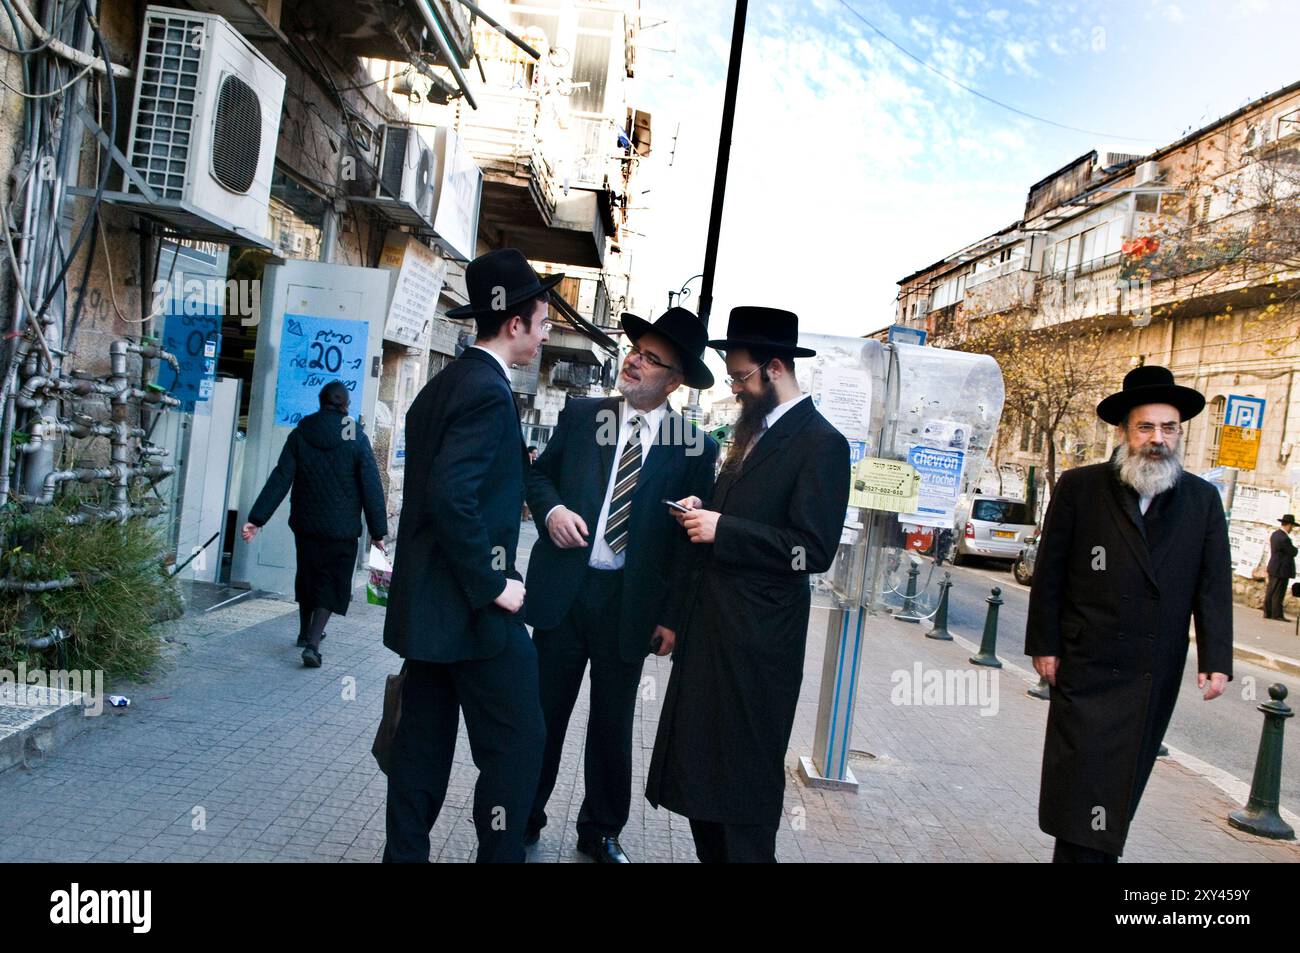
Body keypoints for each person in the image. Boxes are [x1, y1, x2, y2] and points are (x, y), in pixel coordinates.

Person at [645, 306, 851, 863]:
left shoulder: (821, 444)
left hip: (758, 649)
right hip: (713, 634)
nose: (735, 389)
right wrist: (703, 510)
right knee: (701, 786)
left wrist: (724, 528)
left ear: (776, 367)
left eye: (741, 377)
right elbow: (745, 514)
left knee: (742, 796)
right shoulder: (753, 434)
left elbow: (812, 549)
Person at [523, 307, 718, 863]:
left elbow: (690, 547)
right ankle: (525, 816)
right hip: (566, 592)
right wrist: (553, 509)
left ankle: (601, 831)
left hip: (630, 605)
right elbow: (537, 475)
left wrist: (673, 618)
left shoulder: (694, 447)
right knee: (544, 714)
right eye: (636, 350)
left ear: (674, 380)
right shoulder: (584, 416)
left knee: (612, 725)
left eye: (652, 359)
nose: (634, 361)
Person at [380, 248, 555, 863]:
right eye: (542, 322)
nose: (545, 334)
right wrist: (494, 584)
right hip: (474, 613)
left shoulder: (443, 386)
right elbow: (453, 497)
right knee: (519, 744)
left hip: (430, 616)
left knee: (420, 752)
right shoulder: (486, 391)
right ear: (515, 324)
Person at [1025, 365, 1232, 863]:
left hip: (1149, 671)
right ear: (1124, 432)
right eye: (1146, 427)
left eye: (1169, 428)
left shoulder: (1201, 500)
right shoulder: (1081, 488)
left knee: (1121, 781)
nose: (1158, 439)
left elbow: (1212, 583)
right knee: (1080, 778)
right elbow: (1050, 572)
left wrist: (1216, 656)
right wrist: (1044, 644)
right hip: (1085, 663)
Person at [241, 381, 386, 668]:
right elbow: (371, 485)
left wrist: (257, 519)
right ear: (346, 405)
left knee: (308, 576)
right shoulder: (355, 436)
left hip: (306, 524)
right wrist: (378, 532)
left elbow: (281, 477)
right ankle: (314, 644)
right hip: (341, 529)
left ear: (320, 402)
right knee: (331, 582)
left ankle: (304, 632)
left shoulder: (302, 432)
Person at [1264, 514, 1297, 621]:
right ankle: (1276, 614)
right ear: (1289, 525)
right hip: (1281, 569)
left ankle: (1267, 612)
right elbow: (1292, 551)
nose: (1292, 529)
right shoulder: (1284, 538)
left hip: (1274, 567)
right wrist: (1295, 549)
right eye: (1292, 526)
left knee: (1271, 590)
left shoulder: (1275, 534)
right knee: (1278, 592)